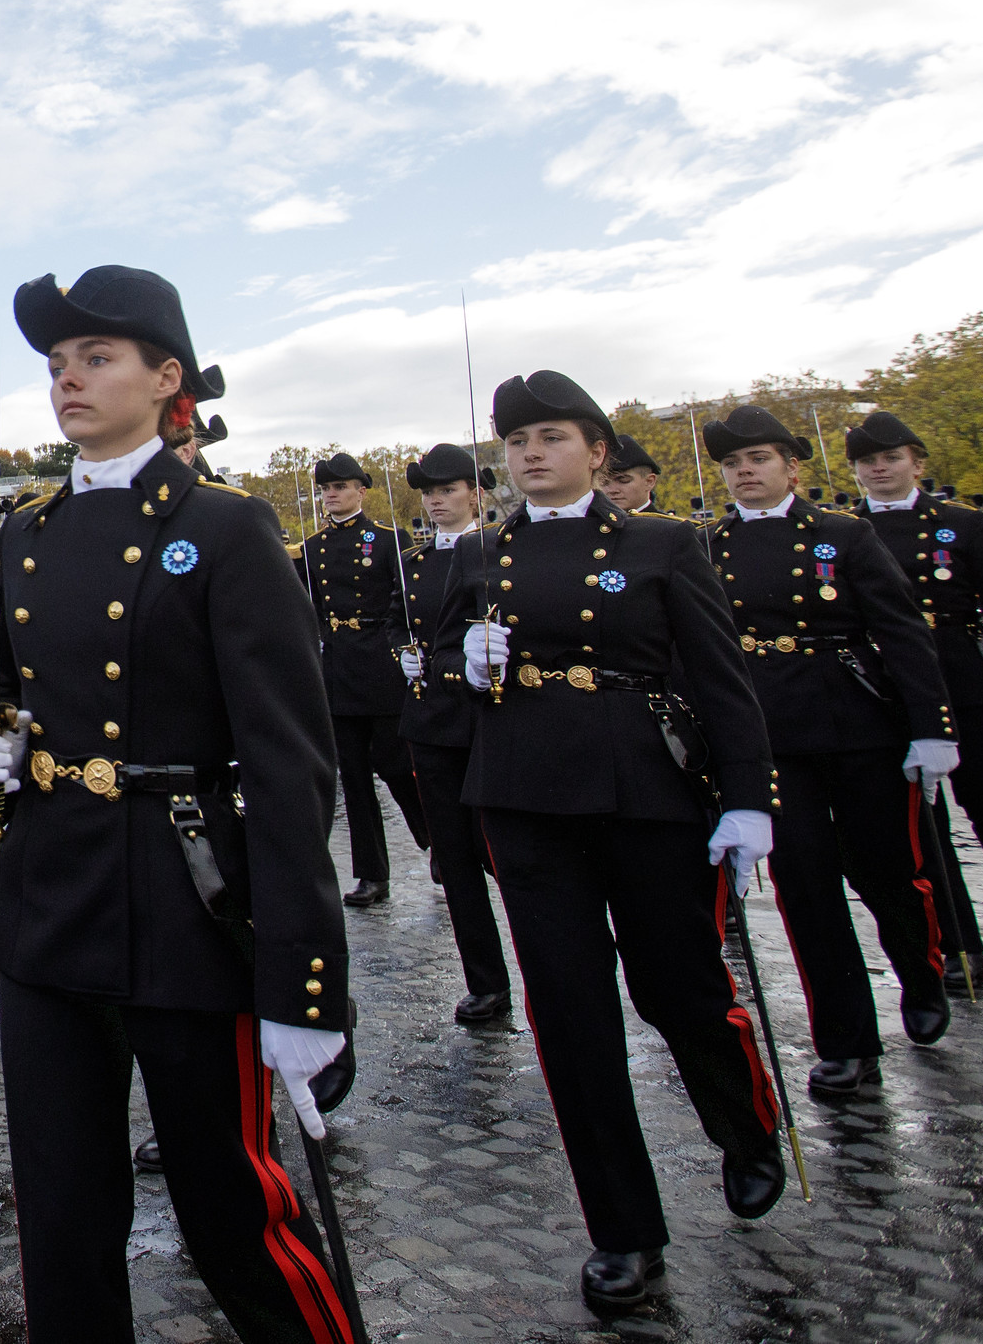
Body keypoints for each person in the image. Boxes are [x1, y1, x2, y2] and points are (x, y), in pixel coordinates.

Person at [0, 264, 356, 1342]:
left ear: (164, 377)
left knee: (231, 1209)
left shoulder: (225, 529)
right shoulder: (25, 534)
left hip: (183, 897)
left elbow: (288, 767)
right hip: (52, 902)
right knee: (61, 1213)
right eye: (54, 366)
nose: (67, 382)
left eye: (95, 358)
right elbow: (16, 694)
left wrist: (301, 979)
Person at [432, 369, 786, 1312]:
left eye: (550, 437)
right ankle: (623, 1227)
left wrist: (748, 798)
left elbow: (722, 677)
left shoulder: (663, 544)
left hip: (644, 790)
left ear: (596, 450)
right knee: (571, 1016)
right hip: (525, 793)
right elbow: (436, 659)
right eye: (516, 442)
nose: (530, 454)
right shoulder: (484, 553)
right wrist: (466, 664)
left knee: (681, 987)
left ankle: (746, 1124)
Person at [705, 406, 956, 1096]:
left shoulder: (843, 534)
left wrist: (931, 726)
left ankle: (923, 972)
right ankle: (846, 1038)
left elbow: (902, 631)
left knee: (889, 874)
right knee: (807, 894)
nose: (745, 472)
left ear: (791, 465)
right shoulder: (710, 545)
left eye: (758, 458)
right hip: (772, 738)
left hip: (858, 728)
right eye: (733, 463)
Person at [850, 412, 983, 970]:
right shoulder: (842, 531)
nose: (880, 468)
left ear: (916, 462)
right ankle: (961, 943)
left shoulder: (960, 524)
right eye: (868, 461)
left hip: (966, 682)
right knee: (923, 830)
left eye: (891, 458)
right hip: (890, 690)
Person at [393, 444, 512, 1024]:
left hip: (489, 717)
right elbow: (397, 617)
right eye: (429, 493)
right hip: (432, 719)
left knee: (508, 855)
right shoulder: (413, 562)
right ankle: (485, 979)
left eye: (448, 491)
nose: (437, 501)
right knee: (457, 861)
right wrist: (403, 656)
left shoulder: (497, 551)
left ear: (475, 493)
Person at [301, 451, 429, 905]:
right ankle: (372, 875)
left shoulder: (389, 540)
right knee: (352, 777)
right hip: (337, 666)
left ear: (362, 490)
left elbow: (406, 602)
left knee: (395, 765)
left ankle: (432, 838)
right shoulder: (313, 546)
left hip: (379, 663)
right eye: (326, 490)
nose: (331, 496)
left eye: (339, 488)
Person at [600, 436, 662, 514]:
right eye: (604, 482)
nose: (612, 490)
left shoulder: (669, 525)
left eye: (623, 480)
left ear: (649, 482)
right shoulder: (589, 523)